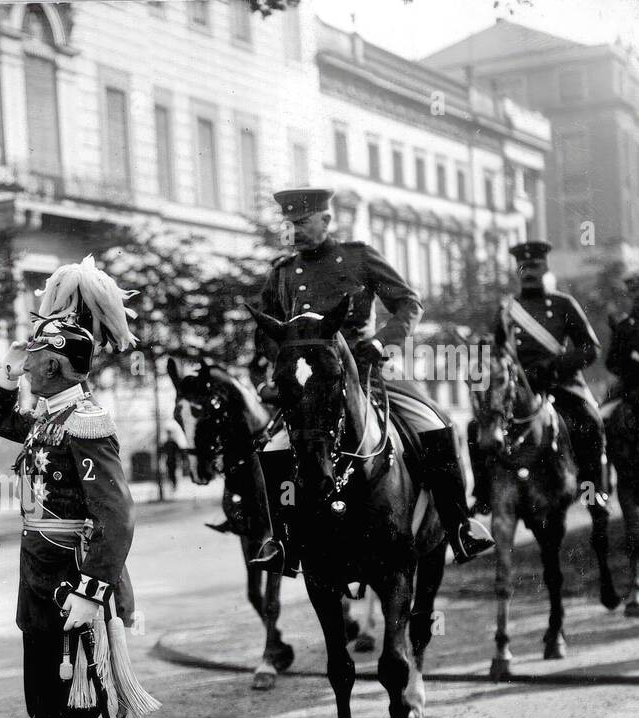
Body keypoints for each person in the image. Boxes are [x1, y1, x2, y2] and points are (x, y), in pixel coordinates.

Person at [0, 265, 159, 718]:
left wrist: (92, 594)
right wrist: (2, 376)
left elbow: (116, 521)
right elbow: (6, 424)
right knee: (41, 705)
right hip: (38, 584)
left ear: (57, 366)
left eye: (33, 357)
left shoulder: (87, 424)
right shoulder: (47, 418)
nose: (27, 362)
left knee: (80, 715)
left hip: (72, 587)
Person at [252, 187, 493, 569]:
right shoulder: (282, 275)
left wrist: (382, 343)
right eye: (289, 224)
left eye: (301, 222)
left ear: (326, 220)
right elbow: (265, 335)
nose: (294, 231)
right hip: (314, 386)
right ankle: (283, 542)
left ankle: (459, 526)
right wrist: (276, 377)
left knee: (436, 424)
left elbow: (409, 303)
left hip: (369, 369)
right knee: (274, 450)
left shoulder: (358, 257)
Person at [488, 241, 606, 506]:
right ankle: (484, 494)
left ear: (545, 268)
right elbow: (494, 350)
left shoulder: (564, 304)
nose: (528, 272)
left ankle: (592, 492)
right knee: (481, 428)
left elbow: (591, 348)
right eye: (523, 267)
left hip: (561, 383)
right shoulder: (507, 310)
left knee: (589, 421)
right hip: (519, 389)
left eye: (534, 266)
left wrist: (555, 366)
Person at [604, 269, 639, 393]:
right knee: (604, 412)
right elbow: (612, 362)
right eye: (634, 291)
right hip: (634, 389)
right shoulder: (624, 328)